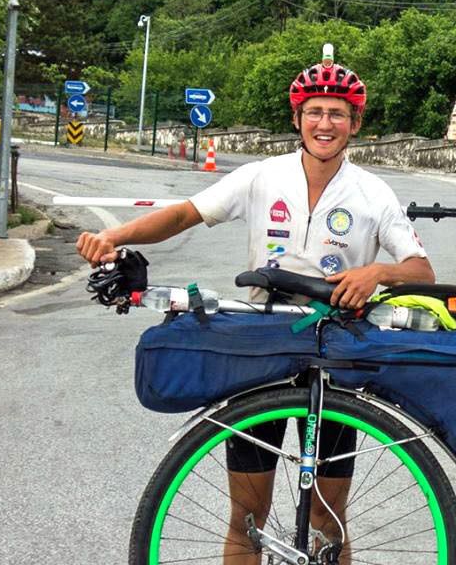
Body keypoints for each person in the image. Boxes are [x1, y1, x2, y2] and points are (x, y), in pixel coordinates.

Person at [76, 48, 432, 564]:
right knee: (247, 520)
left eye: (337, 113)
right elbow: (183, 215)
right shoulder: (262, 176)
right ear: (297, 119)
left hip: (337, 351)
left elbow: (420, 269)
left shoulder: (373, 193)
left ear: (355, 123)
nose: (324, 123)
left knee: (327, 526)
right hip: (263, 344)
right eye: (315, 111)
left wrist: (378, 271)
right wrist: (114, 235)